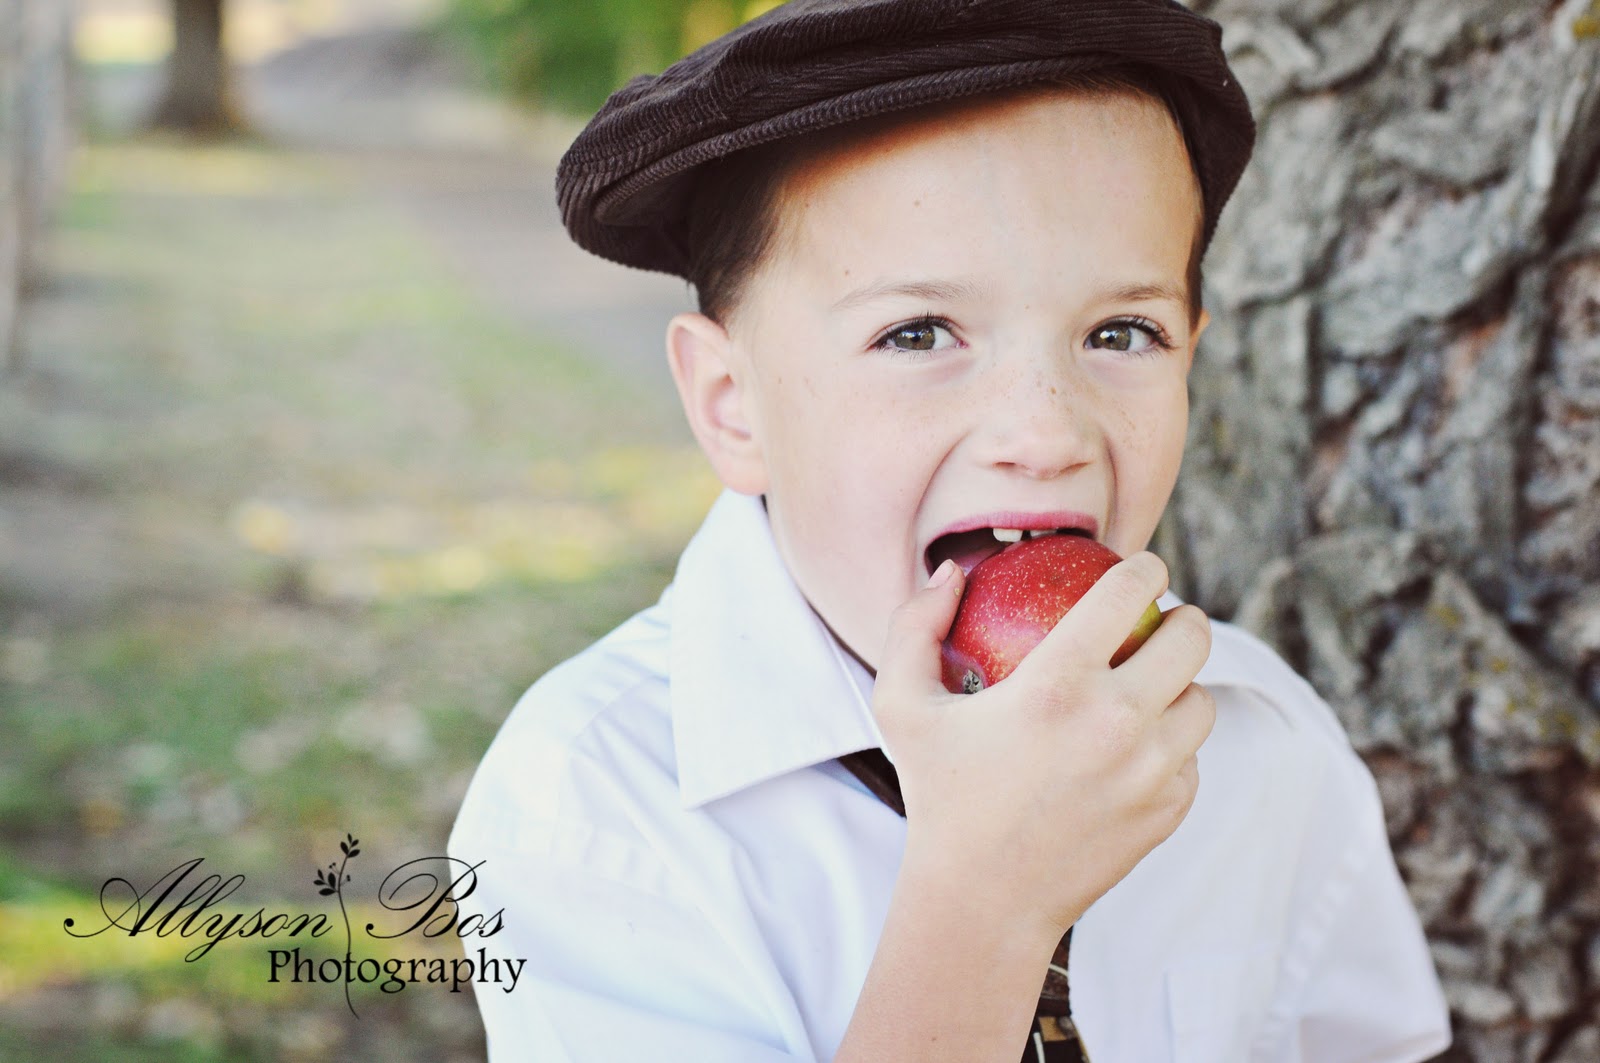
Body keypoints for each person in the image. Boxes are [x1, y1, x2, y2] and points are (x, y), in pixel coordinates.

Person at [447, 1, 1455, 1060]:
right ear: (731, 404)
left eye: (1121, 331)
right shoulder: (591, 806)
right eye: (917, 331)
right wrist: (988, 903)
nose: (1044, 431)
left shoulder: (1260, 740)